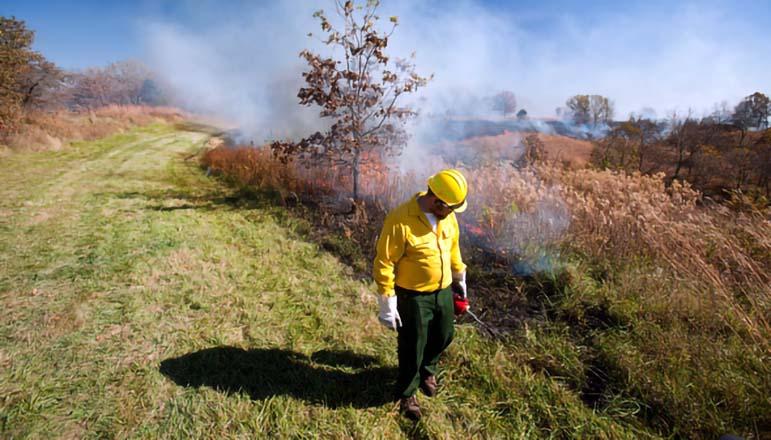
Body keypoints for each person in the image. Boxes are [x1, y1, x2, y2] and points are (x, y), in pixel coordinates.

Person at [373, 169, 469, 420]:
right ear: (437, 200)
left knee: (444, 334)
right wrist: (387, 301)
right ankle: (407, 392)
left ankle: (428, 370)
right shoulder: (401, 219)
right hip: (413, 296)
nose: (451, 213)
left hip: (444, 290)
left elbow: (454, 248)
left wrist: (459, 278)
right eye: (449, 207)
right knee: (413, 344)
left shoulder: (448, 217)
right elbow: (384, 261)